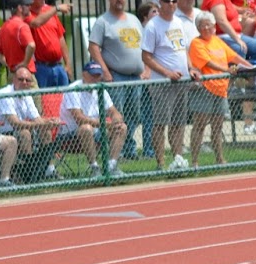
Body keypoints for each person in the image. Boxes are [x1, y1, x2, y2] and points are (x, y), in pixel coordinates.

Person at [141, 0, 200, 171]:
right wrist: (167, 73)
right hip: (163, 83)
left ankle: (178, 159)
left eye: (174, 1)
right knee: (160, 123)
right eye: (168, 1)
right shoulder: (152, 26)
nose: (172, 4)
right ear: (160, 4)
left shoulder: (179, 22)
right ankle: (160, 163)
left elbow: (183, 50)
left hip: (181, 81)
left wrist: (190, 68)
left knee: (179, 123)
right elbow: (146, 56)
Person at [187, 12, 251, 167]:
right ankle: (194, 161)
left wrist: (251, 67)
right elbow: (207, 63)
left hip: (221, 89)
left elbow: (234, 57)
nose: (207, 27)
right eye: (203, 25)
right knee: (200, 125)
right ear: (198, 28)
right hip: (205, 89)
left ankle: (220, 159)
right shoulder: (197, 43)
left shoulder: (218, 41)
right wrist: (226, 69)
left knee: (218, 126)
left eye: (209, 24)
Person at [90, 0, 147, 161]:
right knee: (117, 115)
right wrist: (105, 71)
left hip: (135, 76)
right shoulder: (103, 22)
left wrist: (146, 69)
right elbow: (93, 47)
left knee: (134, 114)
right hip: (116, 76)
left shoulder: (133, 19)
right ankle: (116, 152)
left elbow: (144, 44)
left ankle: (129, 149)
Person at [0, 65, 61, 178]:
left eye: (27, 80)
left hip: (13, 130)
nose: (24, 82)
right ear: (14, 80)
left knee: (45, 131)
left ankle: (48, 169)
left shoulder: (26, 94)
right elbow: (15, 123)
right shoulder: (5, 94)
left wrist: (49, 122)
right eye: (21, 79)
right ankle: (27, 171)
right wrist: (40, 124)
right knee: (25, 133)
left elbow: (37, 119)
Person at [60, 60, 130, 174]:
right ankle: (94, 168)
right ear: (84, 74)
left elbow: (113, 111)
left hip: (97, 130)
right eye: (92, 75)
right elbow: (79, 118)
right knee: (86, 128)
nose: (95, 78)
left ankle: (111, 166)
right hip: (70, 133)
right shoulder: (74, 89)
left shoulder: (100, 88)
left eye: (98, 75)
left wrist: (116, 119)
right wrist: (104, 124)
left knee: (122, 127)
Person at [27, 0, 73, 87]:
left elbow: (60, 38)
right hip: (41, 68)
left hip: (58, 66)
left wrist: (67, 63)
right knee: (45, 99)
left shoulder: (50, 11)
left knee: (64, 98)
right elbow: (36, 22)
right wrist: (57, 8)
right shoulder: (28, 14)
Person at [0, 0, 37, 80]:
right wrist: (25, 63)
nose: (30, 7)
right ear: (19, 8)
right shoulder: (22, 26)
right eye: (27, 5)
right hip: (25, 76)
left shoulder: (5, 27)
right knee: (34, 92)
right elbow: (31, 45)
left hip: (13, 74)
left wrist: (7, 64)